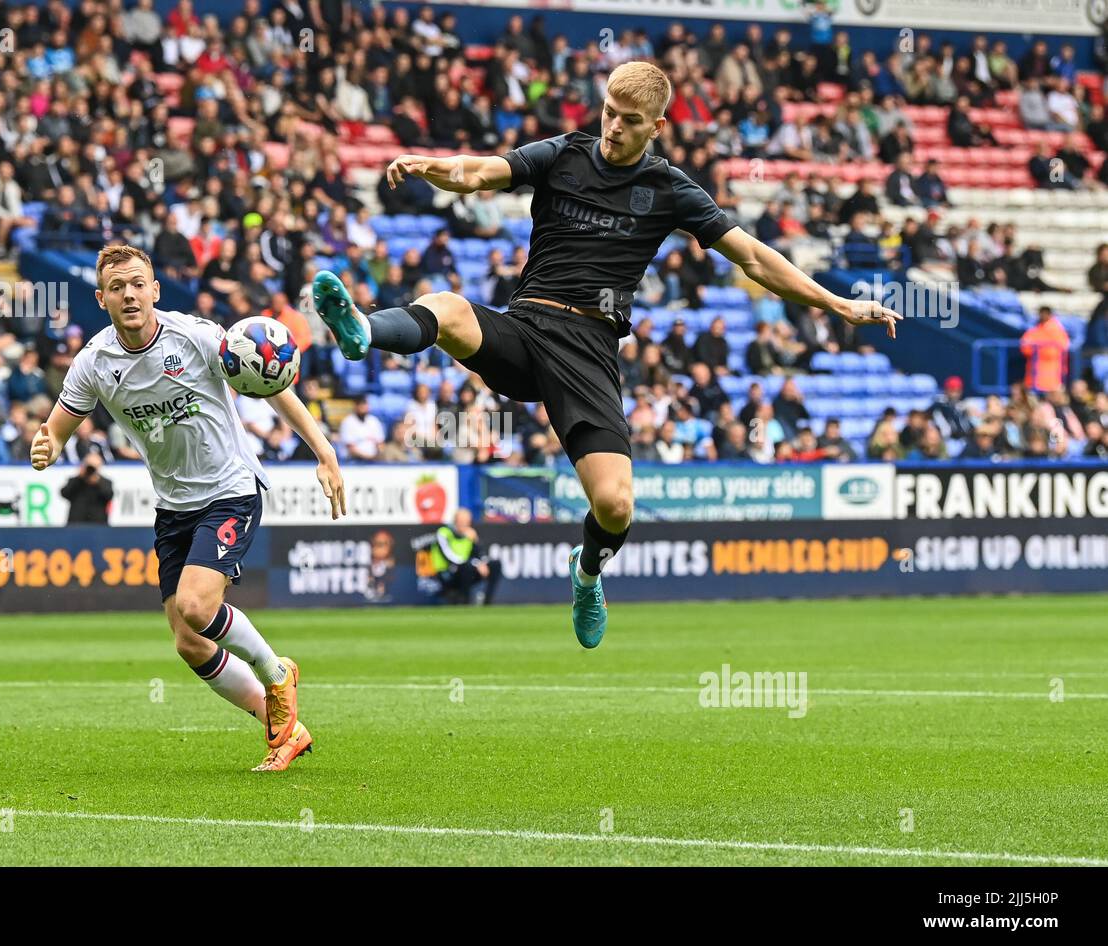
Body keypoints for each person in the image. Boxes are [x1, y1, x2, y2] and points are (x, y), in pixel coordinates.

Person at [309, 61, 899, 650]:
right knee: (450, 308)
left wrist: (838, 305)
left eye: (630, 120)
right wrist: (429, 166)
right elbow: (479, 172)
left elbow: (753, 258)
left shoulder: (670, 189)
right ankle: (364, 327)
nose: (613, 126)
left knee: (615, 505)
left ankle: (587, 572)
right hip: (527, 325)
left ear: (658, 126)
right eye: (609, 112)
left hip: (590, 351)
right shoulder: (563, 153)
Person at [31, 244, 346, 772]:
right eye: (117, 287)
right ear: (101, 298)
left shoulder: (195, 336)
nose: (129, 294)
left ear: (155, 290)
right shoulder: (93, 363)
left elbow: (270, 381)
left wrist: (325, 451)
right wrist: (46, 447)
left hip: (230, 489)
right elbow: (56, 428)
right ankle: (282, 726)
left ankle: (277, 674)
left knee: (199, 608)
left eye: (138, 283)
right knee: (188, 642)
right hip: (173, 505)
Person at [425, 507, 503, 605]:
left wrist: (481, 560)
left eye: (466, 521)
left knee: (495, 564)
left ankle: (487, 602)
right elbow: (450, 557)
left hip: (468, 569)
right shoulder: (444, 532)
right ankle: (465, 602)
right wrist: (476, 564)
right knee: (466, 567)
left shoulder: (470, 534)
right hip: (447, 573)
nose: (464, 524)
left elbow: (479, 554)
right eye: (461, 521)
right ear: (455, 521)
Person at [61, 452, 115, 524]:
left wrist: (98, 482)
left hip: (98, 524)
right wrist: (79, 477)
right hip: (76, 524)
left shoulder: (105, 482)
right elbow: (64, 493)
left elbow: (109, 496)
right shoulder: (76, 480)